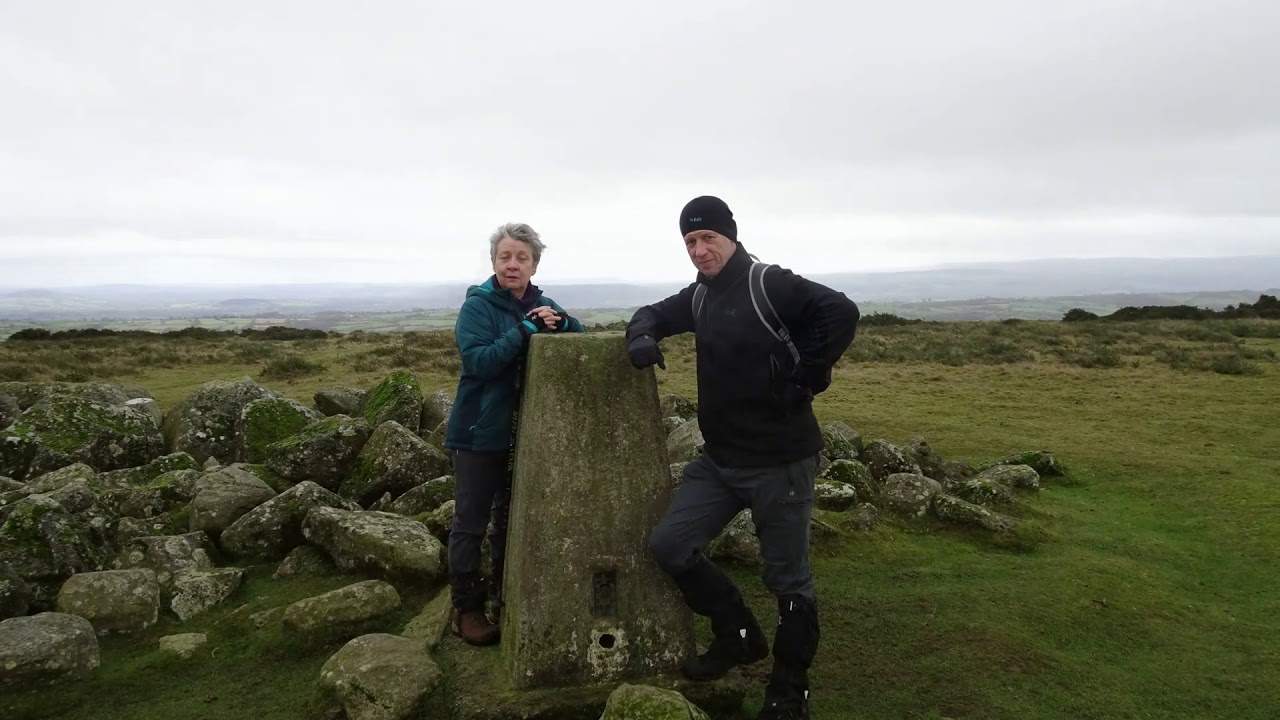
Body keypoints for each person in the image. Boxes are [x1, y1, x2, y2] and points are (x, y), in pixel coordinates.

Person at [626, 196, 860, 719]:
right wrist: (641, 337)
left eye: (708, 238)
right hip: (720, 461)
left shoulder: (766, 283)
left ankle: (788, 689)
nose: (699, 249)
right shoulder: (701, 297)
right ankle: (737, 635)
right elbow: (651, 314)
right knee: (670, 544)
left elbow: (840, 310)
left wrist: (810, 374)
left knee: (787, 578)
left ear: (730, 236)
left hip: (781, 463)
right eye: (690, 241)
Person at [444, 222, 586, 645]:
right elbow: (480, 363)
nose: (513, 264)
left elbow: (579, 335)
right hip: (476, 434)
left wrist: (560, 323)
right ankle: (466, 609)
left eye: (522, 257)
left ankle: (506, 598)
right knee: (469, 523)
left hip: (521, 437)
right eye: (505, 256)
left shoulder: (543, 303)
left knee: (509, 520)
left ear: (534, 264)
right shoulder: (477, 308)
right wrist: (525, 330)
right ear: (493, 262)